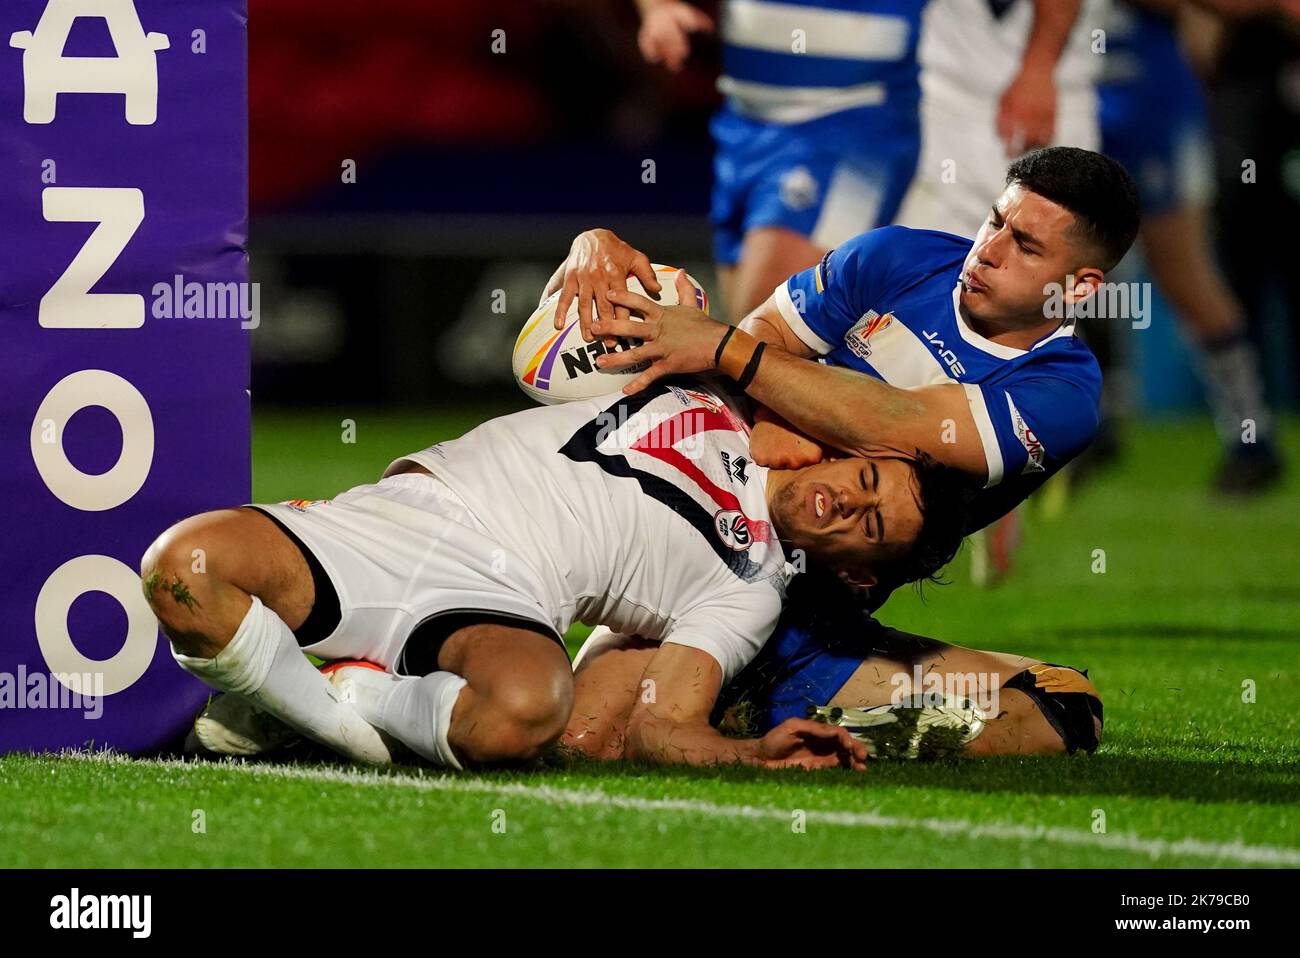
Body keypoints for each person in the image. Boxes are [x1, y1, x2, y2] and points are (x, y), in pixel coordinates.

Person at [145, 378, 968, 770]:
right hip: (401, 517)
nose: (845, 505)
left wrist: (755, 753)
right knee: (184, 569)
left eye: (871, 528)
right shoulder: (725, 393)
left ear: (863, 577)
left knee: (529, 715)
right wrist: (592, 246)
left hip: (498, 603)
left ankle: (347, 697)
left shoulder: (749, 589)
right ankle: (329, 711)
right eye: (864, 482)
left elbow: (659, 723)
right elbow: (566, 328)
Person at [545, 146, 1140, 609]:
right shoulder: (899, 256)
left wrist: (731, 353)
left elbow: (893, 426)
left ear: (1081, 286)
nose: (987, 251)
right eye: (995, 222)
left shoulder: (1060, 397)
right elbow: (767, 336)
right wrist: (773, 411)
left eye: (1027, 248)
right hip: (727, 476)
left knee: (613, 711)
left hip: (818, 583)